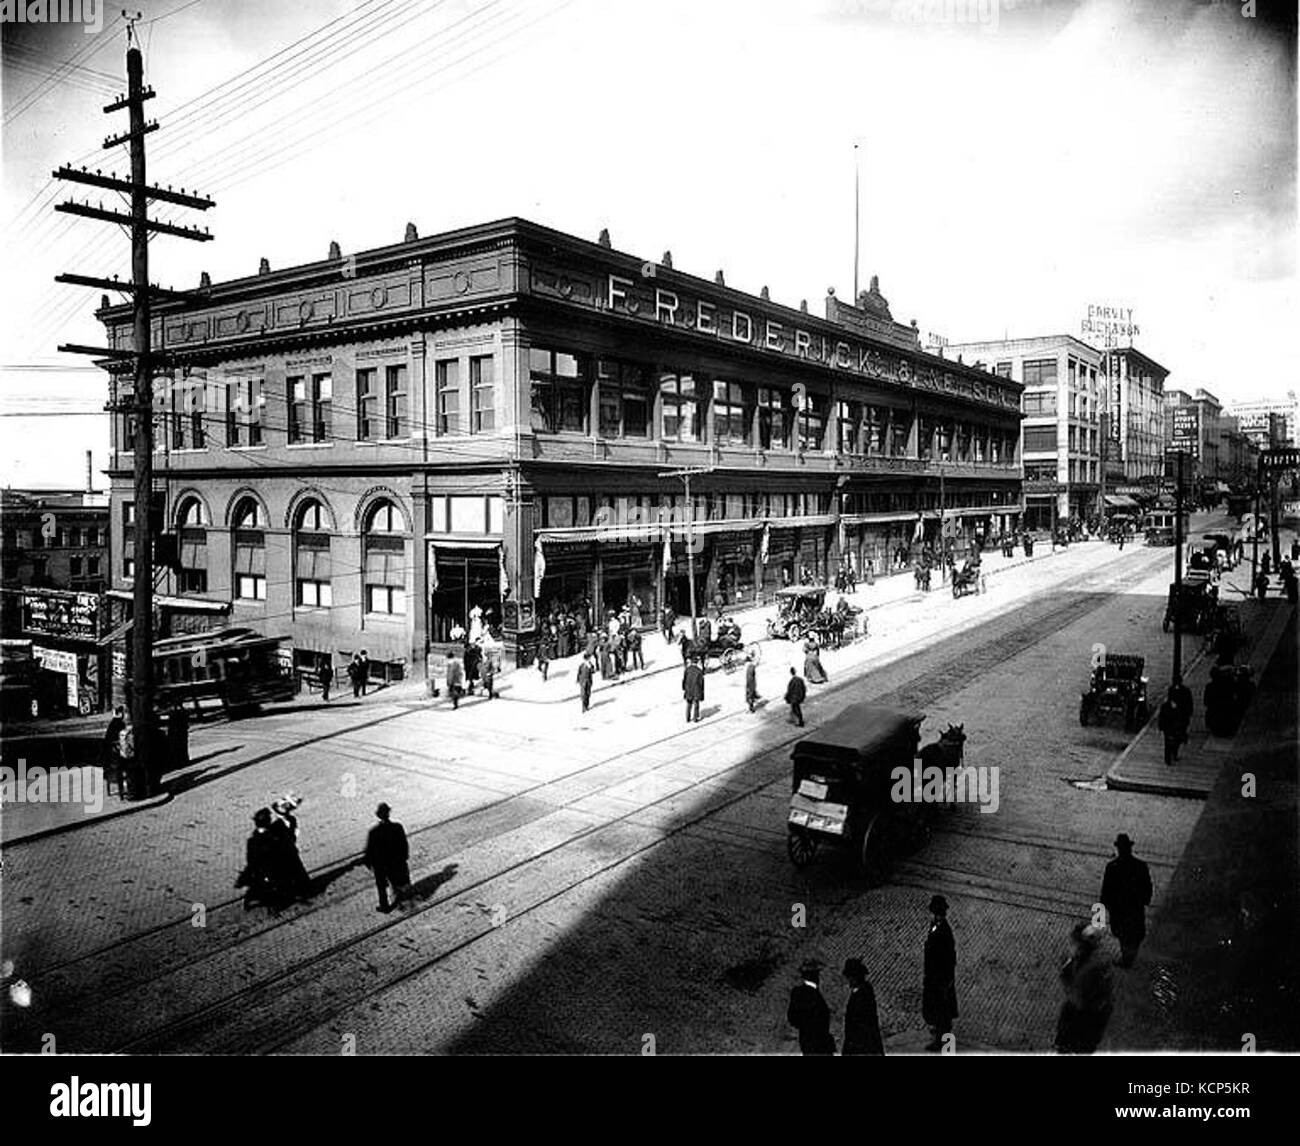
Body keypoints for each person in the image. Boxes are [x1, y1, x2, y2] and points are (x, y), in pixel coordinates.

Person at [1054, 922, 1114, 1054]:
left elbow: (1079, 988)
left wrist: (1066, 971)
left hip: (1088, 1011)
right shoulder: (1086, 958)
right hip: (1084, 1008)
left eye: (1075, 942)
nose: (1072, 945)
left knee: (1079, 1043)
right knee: (1075, 1042)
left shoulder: (1095, 965)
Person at [1100, 834, 1152, 968]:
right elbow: (1147, 886)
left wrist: (1106, 905)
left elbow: (1106, 889)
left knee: (1123, 936)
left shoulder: (1112, 866)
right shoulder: (1140, 866)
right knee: (1134, 935)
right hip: (1134, 908)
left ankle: (1127, 959)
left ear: (1118, 849)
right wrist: (1144, 901)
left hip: (1119, 910)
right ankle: (1131, 959)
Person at [922, 895, 957, 1051]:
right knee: (938, 1007)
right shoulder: (935, 925)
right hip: (934, 975)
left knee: (942, 1009)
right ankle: (940, 1034)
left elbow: (949, 957)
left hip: (940, 977)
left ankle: (944, 1043)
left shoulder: (944, 930)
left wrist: (947, 979)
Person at [236, 808, 288, 911]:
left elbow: (250, 857)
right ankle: (273, 907)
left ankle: (248, 902)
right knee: (271, 887)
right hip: (268, 868)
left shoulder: (252, 839)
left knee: (255, 887)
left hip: (257, 868)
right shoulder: (269, 837)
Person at [363, 803, 410, 914]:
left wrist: (369, 863)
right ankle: (402, 901)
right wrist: (403, 858)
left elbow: (369, 850)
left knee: (381, 886)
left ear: (378, 816)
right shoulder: (397, 827)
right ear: (388, 814)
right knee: (397, 882)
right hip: (395, 862)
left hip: (380, 865)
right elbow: (404, 844)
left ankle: (384, 906)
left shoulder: (373, 831)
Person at [787, 961, 835, 1055]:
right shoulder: (812, 994)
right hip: (817, 1043)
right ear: (816, 977)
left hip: (808, 1041)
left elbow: (792, 1018)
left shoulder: (798, 992)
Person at [841, 957, 885, 1056]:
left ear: (855, 977)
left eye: (849, 977)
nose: (848, 980)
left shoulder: (862, 994)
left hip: (862, 1046)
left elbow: (861, 1024)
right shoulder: (862, 992)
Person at [1157, 679, 1192, 766]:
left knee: (1175, 740)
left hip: (1176, 724)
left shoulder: (1169, 706)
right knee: (1170, 741)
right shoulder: (1167, 706)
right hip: (1171, 725)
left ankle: (1172, 755)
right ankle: (1169, 757)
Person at [102, 706, 127, 798]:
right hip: (115, 754)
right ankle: (124, 786)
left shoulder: (112, 724)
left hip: (109, 756)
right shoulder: (120, 723)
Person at [682, 656, 705, 724]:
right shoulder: (699, 671)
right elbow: (701, 683)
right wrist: (702, 691)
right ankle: (695, 718)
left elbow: (684, 679)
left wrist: (684, 688)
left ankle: (688, 718)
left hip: (688, 689)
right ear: (697, 662)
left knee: (689, 704)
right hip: (696, 690)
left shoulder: (687, 669)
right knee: (696, 704)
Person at [744, 649, 759, 714]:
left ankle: (751, 708)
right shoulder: (751, 666)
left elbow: (750, 677)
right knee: (750, 694)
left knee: (750, 695)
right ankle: (751, 707)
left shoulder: (749, 666)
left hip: (750, 683)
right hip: (751, 683)